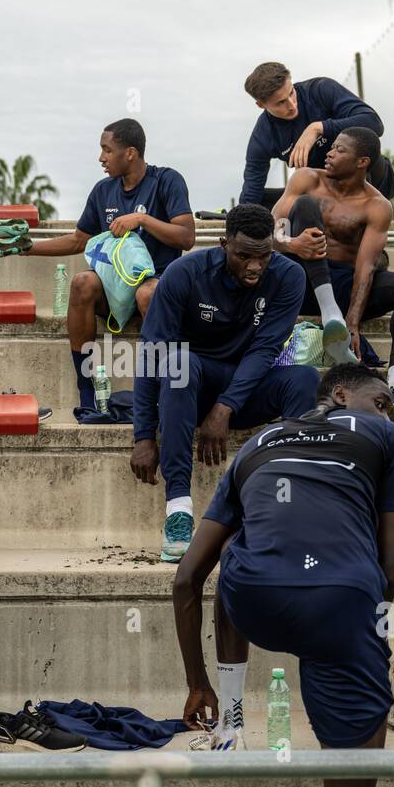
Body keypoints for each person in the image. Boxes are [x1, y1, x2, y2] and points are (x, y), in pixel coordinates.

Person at [172, 364, 394, 787]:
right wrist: (367, 639)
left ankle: (230, 715)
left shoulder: (255, 444)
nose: (387, 415)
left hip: (254, 598)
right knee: (354, 769)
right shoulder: (385, 435)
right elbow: (389, 567)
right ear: (339, 395)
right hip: (343, 599)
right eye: (381, 403)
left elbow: (186, 579)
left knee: (233, 549)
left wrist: (197, 683)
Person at [130, 203, 318, 561]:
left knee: (306, 379)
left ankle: (290, 506)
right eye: (244, 255)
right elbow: (152, 353)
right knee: (178, 362)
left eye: (263, 257)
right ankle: (179, 512)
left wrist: (226, 407)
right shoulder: (184, 274)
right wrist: (143, 435)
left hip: (245, 390)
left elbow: (264, 351)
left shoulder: (289, 276)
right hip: (188, 390)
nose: (254, 266)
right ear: (223, 244)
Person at [12, 119, 195, 410]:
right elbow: (78, 241)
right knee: (82, 282)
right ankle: (87, 391)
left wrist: (142, 219)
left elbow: (186, 238)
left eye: (107, 150)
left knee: (148, 293)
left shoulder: (167, 180)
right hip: (114, 290)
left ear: (131, 153)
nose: (101, 158)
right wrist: (28, 248)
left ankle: (157, 391)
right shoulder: (103, 191)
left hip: (155, 284)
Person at [273, 126, 394, 422]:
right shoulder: (307, 179)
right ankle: (331, 315)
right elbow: (270, 233)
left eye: (340, 150)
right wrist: (293, 243)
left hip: (344, 287)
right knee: (305, 205)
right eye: (332, 147)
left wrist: (353, 322)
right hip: (299, 285)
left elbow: (366, 267)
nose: (329, 152)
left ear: (362, 162)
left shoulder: (377, 205)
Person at [240, 61, 394, 209]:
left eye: (292, 93)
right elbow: (252, 190)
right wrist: (241, 217)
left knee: (359, 145)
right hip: (325, 193)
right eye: (280, 103)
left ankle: (359, 212)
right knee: (258, 202)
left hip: (374, 183)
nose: (292, 105)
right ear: (261, 105)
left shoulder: (321, 89)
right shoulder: (263, 136)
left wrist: (318, 128)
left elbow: (374, 124)